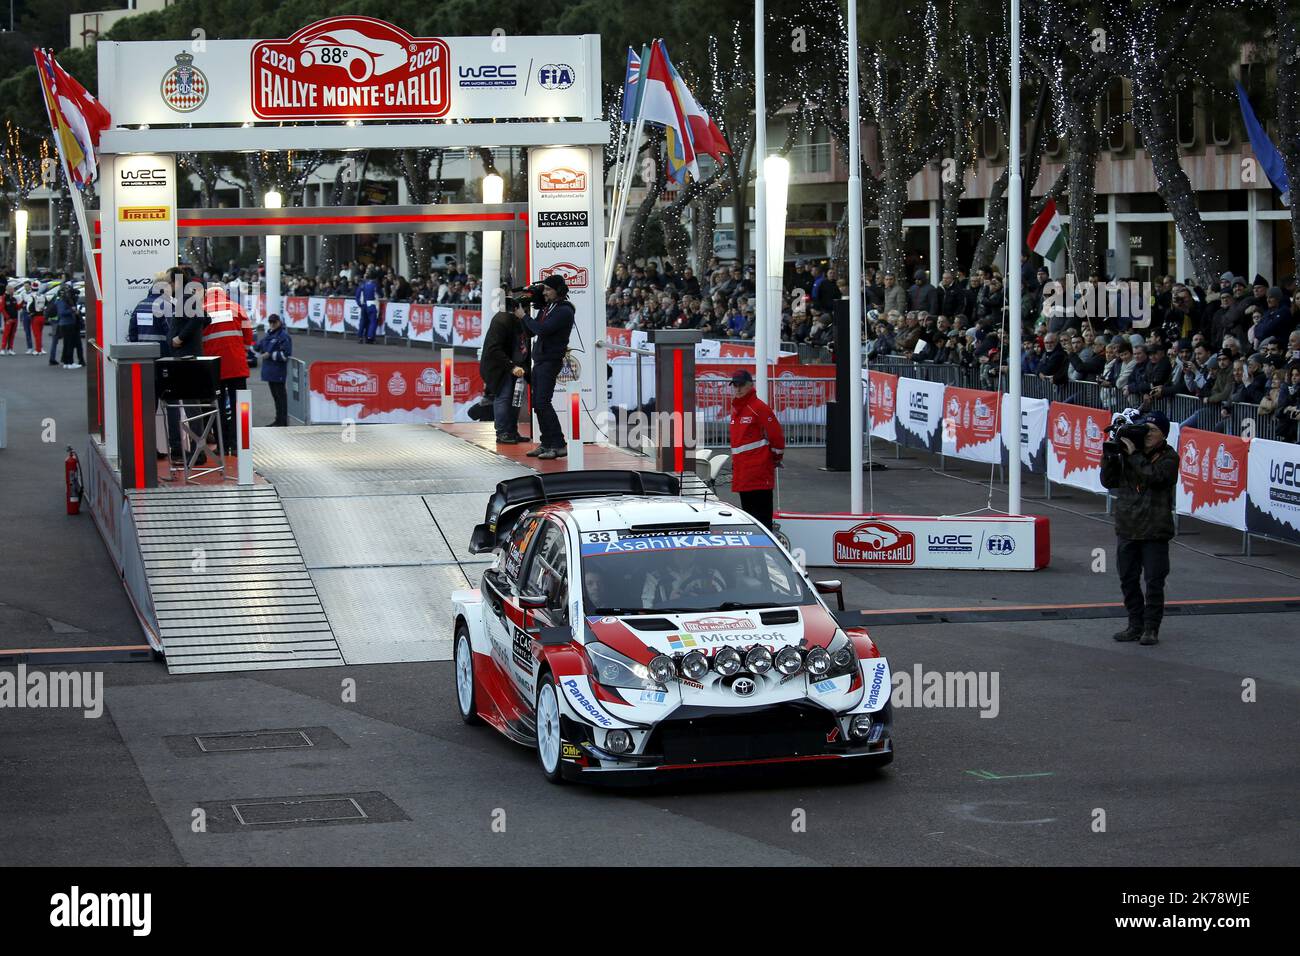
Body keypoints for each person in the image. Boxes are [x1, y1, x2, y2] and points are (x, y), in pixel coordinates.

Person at [1100, 411, 1179, 646]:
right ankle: (1135, 624)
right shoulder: (1129, 454)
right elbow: (1108, 481)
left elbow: (1154, 477)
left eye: (1152, 430)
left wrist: (1133, 455)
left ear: (1163, 434)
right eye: (1145, 428)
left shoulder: (1169, 457)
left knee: (1154, 581)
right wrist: (1111, 457)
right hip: (1127, 527)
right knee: (1128, 579)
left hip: (1155, 530)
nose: (1146, 434)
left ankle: (1151, 628)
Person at [520, 274, 575, 460]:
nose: (545, 293)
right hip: (540, 360)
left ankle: (558, 445)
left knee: (543, 403)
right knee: (538, 404)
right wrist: (525, 315)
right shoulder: (547, 308)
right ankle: (546, 443)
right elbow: (531, 331)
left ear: (558, 291)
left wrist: (524, 316)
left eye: (548, 289)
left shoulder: (564, 311)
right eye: (544, 289)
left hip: (550, 361)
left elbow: (542, 330)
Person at [728, 369, 785, 530]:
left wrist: (775, 459)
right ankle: (753, 553)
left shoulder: (758, 408)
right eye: (735, 385)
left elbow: (777, 437)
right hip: (744, 474)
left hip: (759, 474)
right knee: (749, 520)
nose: (738, 389)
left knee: (761, 520)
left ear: (750, 385)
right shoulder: (737, 410)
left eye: (741, 385)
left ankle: (764, 552)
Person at [201, 282, 253, 455]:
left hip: (213, 367)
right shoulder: (237, 307)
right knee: (240, 405)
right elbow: (248, 334)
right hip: (236, 365)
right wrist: (242, 348)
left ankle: (222, 446)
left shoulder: (202, 308)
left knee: (218, 407)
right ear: (223, 293)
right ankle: (239, 445)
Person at [479, 296, 531, 444]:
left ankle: (512, 432)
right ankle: (502, 433)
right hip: (500, 367)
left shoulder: (517, 321)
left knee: (516, 399)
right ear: (519, 309)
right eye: (526, 310)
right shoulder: (502, 321)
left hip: (514, 366)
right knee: (504, 397)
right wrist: (511, 366)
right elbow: (493, 349)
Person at [254, 313, 293, 427]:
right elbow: (259, 346)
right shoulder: (269, 334)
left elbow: (286, 355)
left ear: (279, 322)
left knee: (280, 397)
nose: (272, 324)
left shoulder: (283, 336)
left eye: (274, 322)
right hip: (270, 372)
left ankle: (282, 421)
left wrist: (269, 355)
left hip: (278, 372)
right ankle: (278, 420)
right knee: (276, 397)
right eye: (270, 322)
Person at [355, 267, 380, 343]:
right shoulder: (375, 285)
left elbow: (357, 296)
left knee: (363, 321)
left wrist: (360, 304)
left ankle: (360, 336)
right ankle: (370, 336)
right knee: (373, 321)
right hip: (372, 304)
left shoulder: (363, 285)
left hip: (364, 304)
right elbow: (380, 294)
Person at [1, 281, 17, 354]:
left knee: (12, 335)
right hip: (8, 320)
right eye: (12, 289)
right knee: (6, 334)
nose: (13, 291)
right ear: (8, 290)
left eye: (13, 290)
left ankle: (10, 349)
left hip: (15, 319)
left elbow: (16, 307)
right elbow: (2, 308)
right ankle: (2, 349)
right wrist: (7, 317)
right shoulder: (4, 297)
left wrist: (23, 303)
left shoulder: (13, 298)